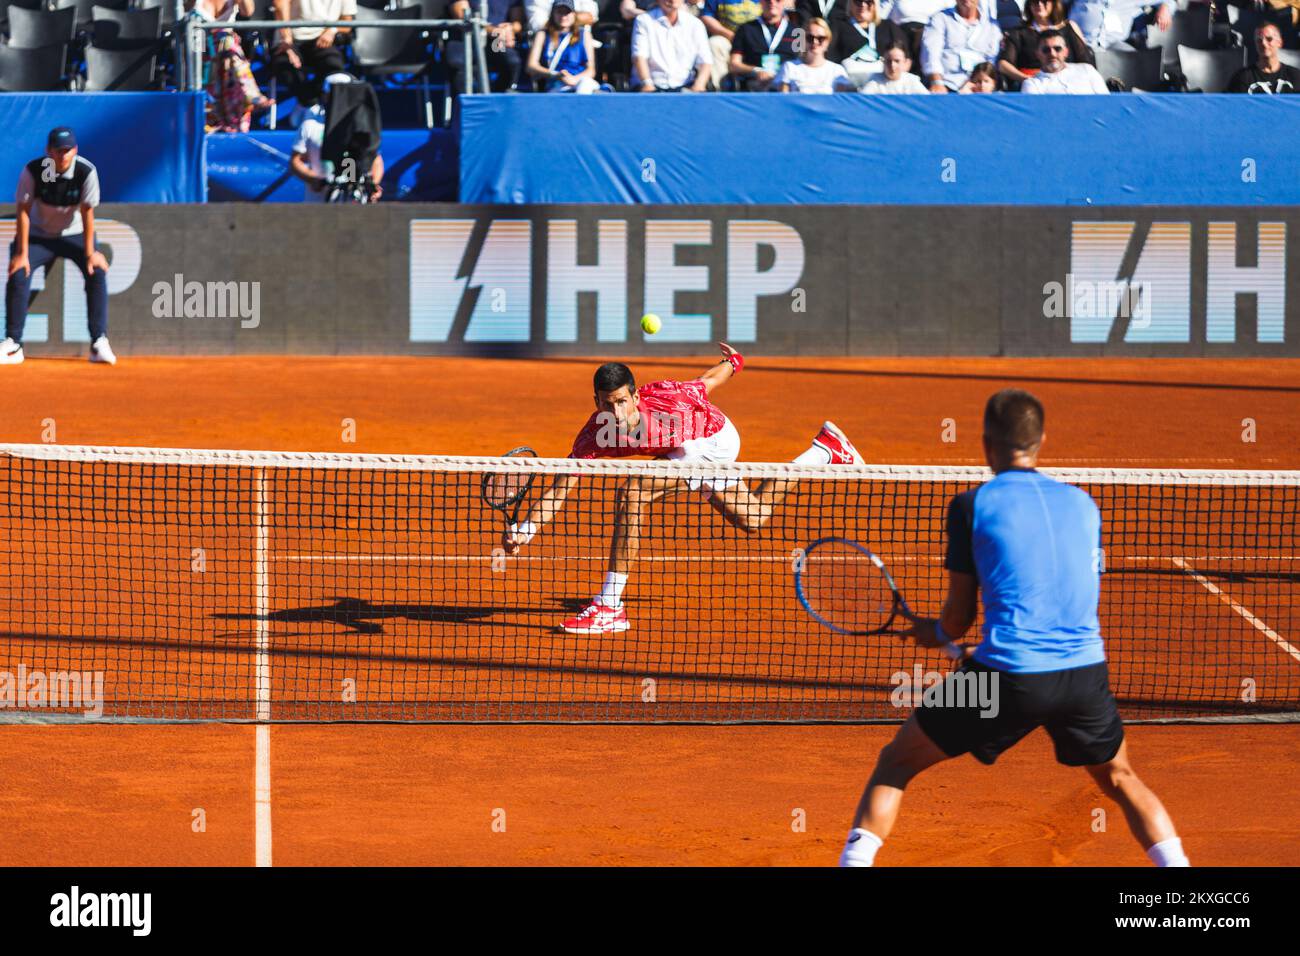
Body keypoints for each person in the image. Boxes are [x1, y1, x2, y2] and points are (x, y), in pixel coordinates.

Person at [839, 389, 1189, 869]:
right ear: (1041, 439)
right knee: (1121, 777)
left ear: (985, 443)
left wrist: (936, 633)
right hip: (1085, 675)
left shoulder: (971, 506)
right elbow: (1066, 594)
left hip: (1006, 679)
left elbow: (958, 618)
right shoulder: (1084, 504)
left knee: (896, 764)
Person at [502, 344, 861, 634]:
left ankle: (610, 607)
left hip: (713, 439)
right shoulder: (594, 435)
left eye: (622, 401)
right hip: (685, 450)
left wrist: (733, 363)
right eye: (607, 403)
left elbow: (705, 384)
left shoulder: (670, 402)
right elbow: (561, 487)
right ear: (596, 402)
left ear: (637, 396)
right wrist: (525, 531)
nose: (616, 411)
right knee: (754, 517)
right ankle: (825, 450)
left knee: (634, 491)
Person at [3, 128, 115, 366]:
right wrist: (22, 254)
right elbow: (23, 211)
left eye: (67, 150)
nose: (63, 155)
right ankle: (13, 343)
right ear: (49, 151)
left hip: (73, 234)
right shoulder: (35, 171)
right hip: (37, 235)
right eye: (58, 150)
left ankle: (99, 342)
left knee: (97, 271)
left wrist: (91, 253)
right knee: (18, 272)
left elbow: (87, 212)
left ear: (75, 150)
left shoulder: (86, 172)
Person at [289, 74, 385, 202]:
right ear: (325, 96)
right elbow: (295, 161)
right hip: (318, 204)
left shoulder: (360, 125)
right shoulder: (310, 125)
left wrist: (372, 184)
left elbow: (376, 160)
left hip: (354, 203)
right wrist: (312, 179)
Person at [191, 0, 270, 132]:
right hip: (198, 46)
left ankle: (224, 118)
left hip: (225, 51)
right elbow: (184, 14)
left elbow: (248, 11)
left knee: (228, 44)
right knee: (228, 45)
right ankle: (250, 95)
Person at [271, 0, 354, 112]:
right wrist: (286, 39)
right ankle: (309, 105)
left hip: (323, 40)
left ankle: (308, 105)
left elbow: (347, 22)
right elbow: (280, 4)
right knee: (284, 66)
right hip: (290, 39)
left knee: (334, 68)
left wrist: (332, 30)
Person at [996, 0, 1090, 89]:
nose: (1039, 4)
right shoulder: (1018, 32)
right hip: (1034, 84)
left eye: (1044, 1)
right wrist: (1027, 79)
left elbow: (1085, 60)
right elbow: (1003, 64)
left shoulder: (1069, 27)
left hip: (1069, 82)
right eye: (1035, 1)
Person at [445, 0, 528, 93]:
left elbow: (517, 21)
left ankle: (499, 100)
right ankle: (468, 104)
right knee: (458, 63)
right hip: (465, 37)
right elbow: (463, 16)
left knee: (512, 62)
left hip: (495, 41)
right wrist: (494, 31)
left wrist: (510, 29)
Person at [921, 0, 1002, 92]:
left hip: (980, 87)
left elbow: (992, 58)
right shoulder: (940, 18)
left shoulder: (991, 25)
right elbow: (931, 53)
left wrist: (983, 84)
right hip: (947, 85)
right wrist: (937, 83)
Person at [631, 0, 713, 91]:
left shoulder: (695, 24)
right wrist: (647, 83)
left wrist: (699, 85)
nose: (672, 0)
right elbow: (639, 56)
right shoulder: (644, 20)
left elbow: (706, 61)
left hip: (686, 88)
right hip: (651, 88)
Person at [827, 0, 908, 87]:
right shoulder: (838, 26)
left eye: (868, 2)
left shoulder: (888, 26)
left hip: (883, 85)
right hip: (848, 84)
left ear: (875, 4)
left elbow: (906, 58)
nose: (863, 5)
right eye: (858, 2)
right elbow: (830, 56)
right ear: (850, 4)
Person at [527, 0, 602, 91]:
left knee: (585, 86)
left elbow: (591, 70)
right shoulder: (543, 34)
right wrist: (555, 74)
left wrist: (574, 79)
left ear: (574, 14)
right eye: (559, 12)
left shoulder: (584, 34)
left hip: (580, 81)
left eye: (567, 12)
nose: (563, 16)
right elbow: (531, 66)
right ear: (553, 14)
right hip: (555, 84)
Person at [729, 0, 802, 89]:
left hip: (786, 84)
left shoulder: (798, 32)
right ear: (761, 2)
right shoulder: (745, 29)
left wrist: (783, 75)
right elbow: (734, 64)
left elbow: (803, 64)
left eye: (778, 0)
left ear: (784, 2)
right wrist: (756, 71)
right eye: (767, 0)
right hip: (755, 83)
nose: (772, 2)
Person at [777, 16, 856, 90]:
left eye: (821, 38)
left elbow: (840, 102)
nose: (815, 42)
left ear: (828, 41)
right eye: (810, 38)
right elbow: (783, 100)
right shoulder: (789, 67)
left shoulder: (837, 70)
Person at [1020, 28, 1109, 92]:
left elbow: (1106, 103)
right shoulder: (1032, 85)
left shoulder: (1087, 70)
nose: (1052, 54)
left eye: (1057, 49)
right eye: (1046, 50)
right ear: (1037, 54)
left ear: (1066, 52)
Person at [700, 0, 761, 89]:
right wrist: (732, 36)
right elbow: (707, 17)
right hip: (728, 38)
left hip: (757, 40)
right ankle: (720, 88)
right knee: (715, 43)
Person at [1227, 22, 1300, 93]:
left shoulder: (1295, 76)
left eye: (1269, 39)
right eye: (1259, 40)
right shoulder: (1242, 78)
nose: (1264, 43)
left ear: (1279, 43)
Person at [1069, 0, 1172, 50]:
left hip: (1114, 46)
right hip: (1080, 42)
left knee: (1134, 61)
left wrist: (1165, 8)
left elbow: (1169, 1)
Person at [859, 40, 929, 90]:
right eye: (888, 61)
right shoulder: (874, 80)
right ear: (883, 62)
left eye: (897, 61)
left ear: (906, 62)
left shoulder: (912, 80)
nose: (892, 65)